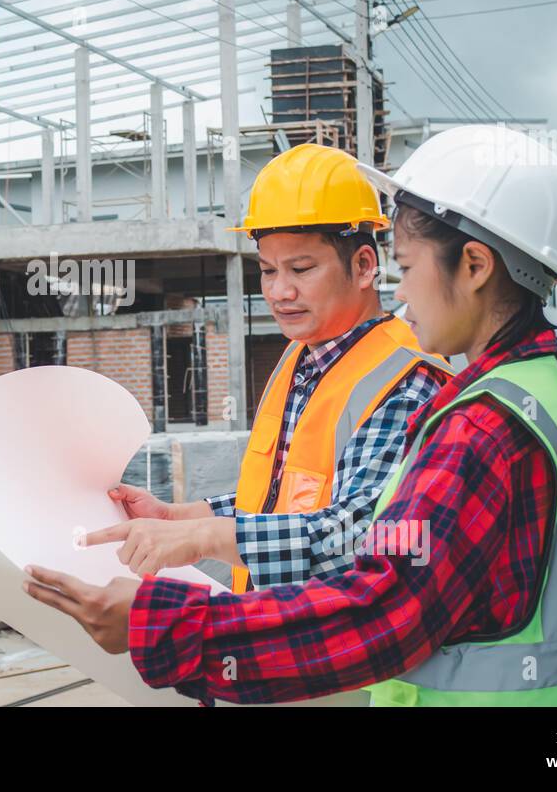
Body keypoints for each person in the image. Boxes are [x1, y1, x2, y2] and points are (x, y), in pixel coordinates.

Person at [25, 124, 557, 706]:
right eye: (269, 271)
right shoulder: (521, 384)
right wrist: (184, 519)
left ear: (475, 266)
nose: (402, 294)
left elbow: (384, 599)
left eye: (405, 267)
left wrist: (164, 622)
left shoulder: (470, 418)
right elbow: (297, 497)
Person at [88, 143, 449, 593]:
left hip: (341, 650)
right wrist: (179, 516)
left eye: (300, 269)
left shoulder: (406, 380)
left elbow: (361, 531)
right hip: (280, 640)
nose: (279, 292)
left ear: (362, 266)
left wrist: (200, 537)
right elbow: (284, 499)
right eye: (267, 270)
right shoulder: (303, 358)